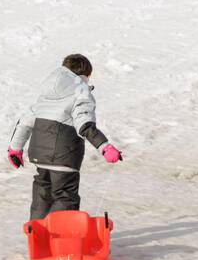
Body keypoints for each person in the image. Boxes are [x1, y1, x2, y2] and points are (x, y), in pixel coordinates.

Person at [7, 54, 122, 220]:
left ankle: (38, 236)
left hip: (40, 155)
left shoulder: (46, 94)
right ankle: (60, 239)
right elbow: (84, 124)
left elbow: (25, 122)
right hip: (64, 154)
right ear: (85, 77)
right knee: (65, 197)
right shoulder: (80, 92)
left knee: (42, 197)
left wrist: (14, 149)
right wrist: (104, 147)